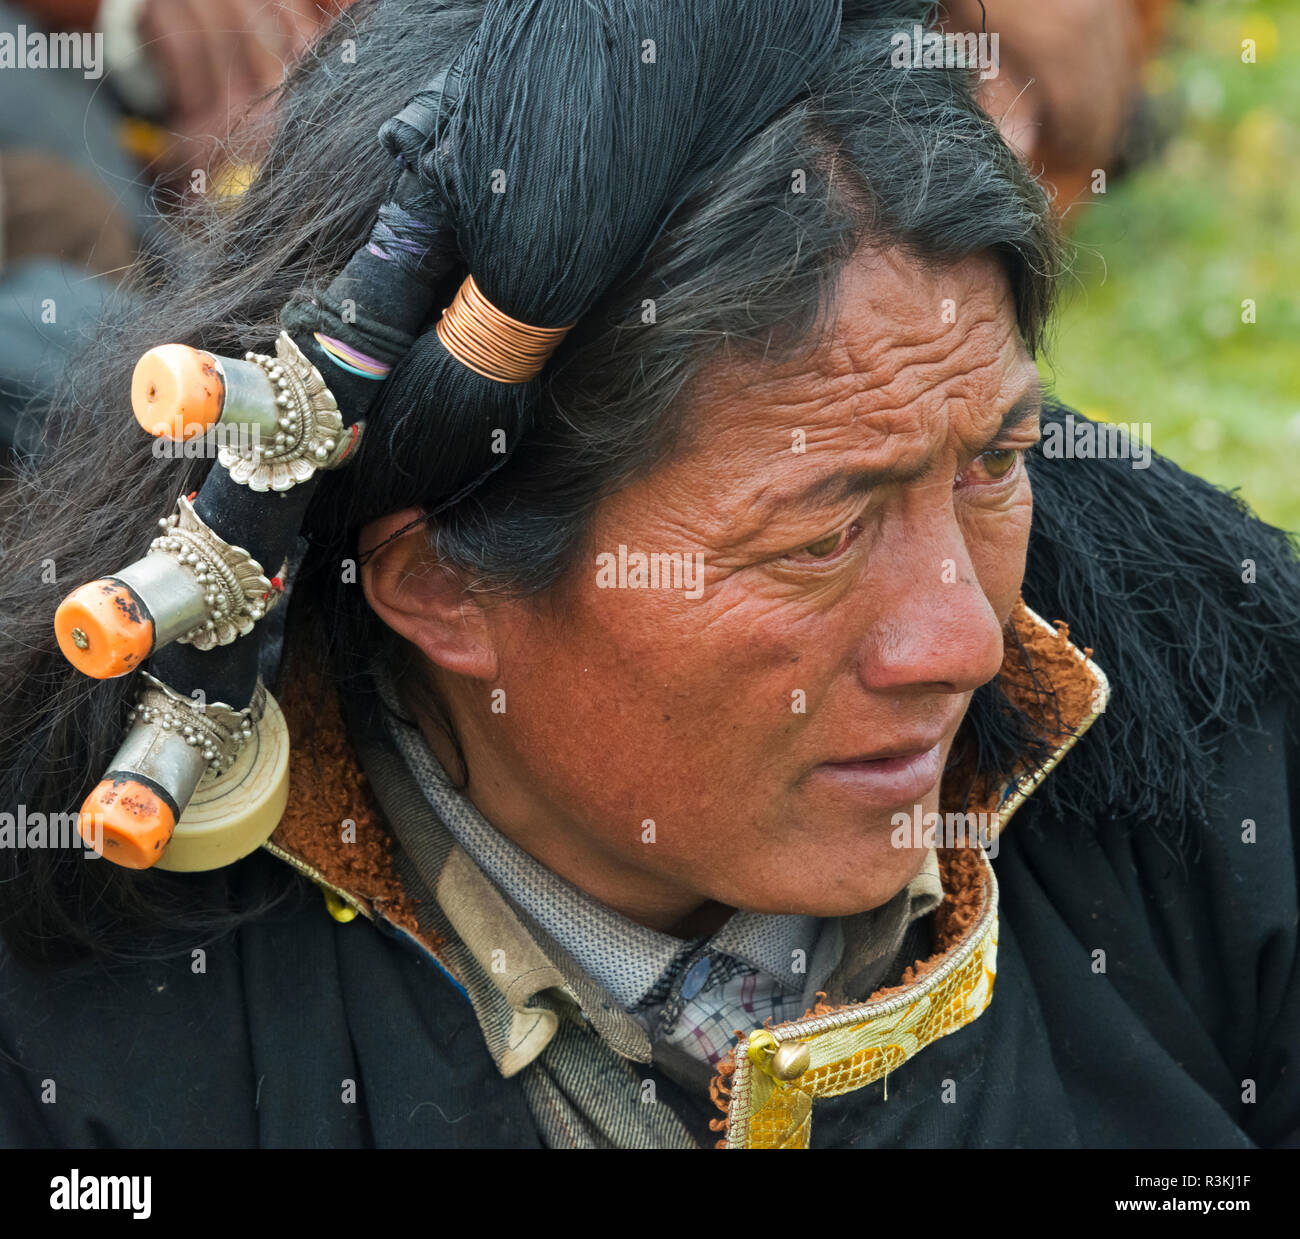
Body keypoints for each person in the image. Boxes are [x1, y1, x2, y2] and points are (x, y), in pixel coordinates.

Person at [1, 0, 1297, 1150]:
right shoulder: (96, 1045)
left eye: (994, 464)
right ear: (441, 579)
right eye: (818, 540)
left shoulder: (1213, 729)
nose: (965, 640)